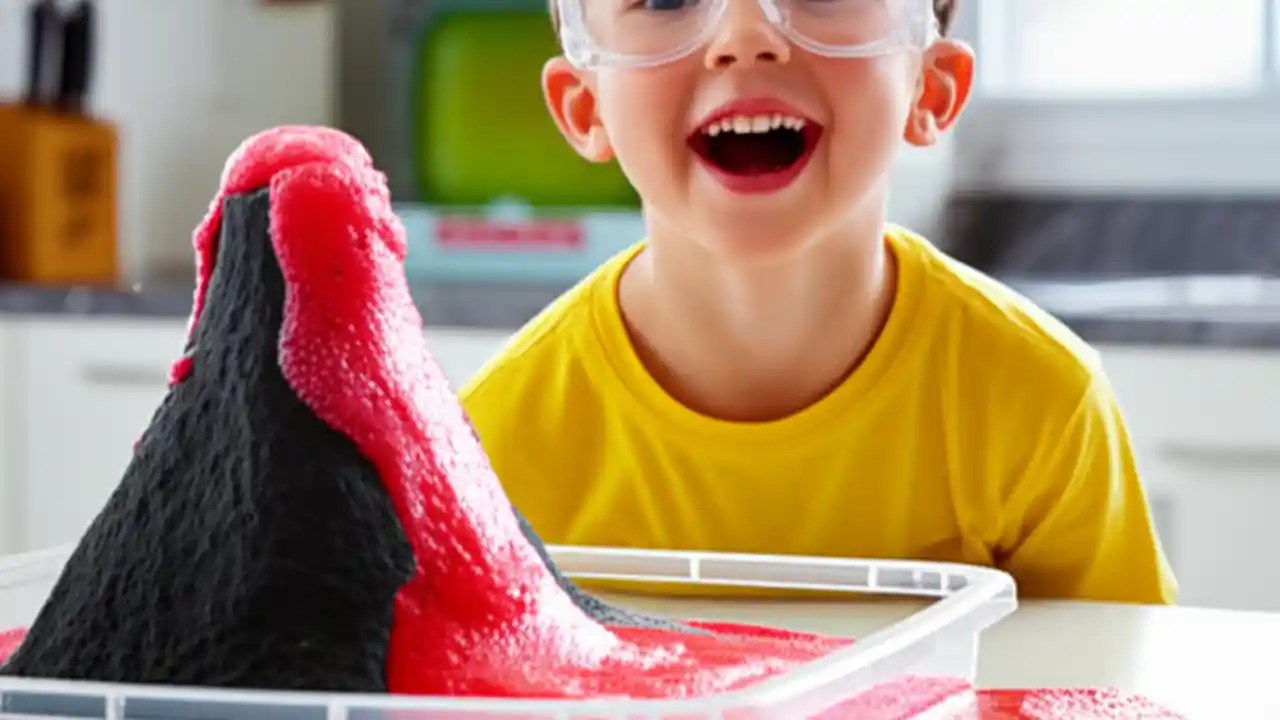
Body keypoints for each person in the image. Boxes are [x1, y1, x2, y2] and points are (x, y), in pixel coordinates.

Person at [459, 0, 1177, 605]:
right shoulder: (496, 448)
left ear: (931, 88)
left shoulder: (1037, 405)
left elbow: (1112, 687)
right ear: (585, 108)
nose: (745, 37)